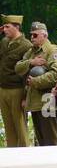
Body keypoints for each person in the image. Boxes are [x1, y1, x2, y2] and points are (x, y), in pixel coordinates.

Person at [16, 22, 57, 146]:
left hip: (48, 99)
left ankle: (55, 164)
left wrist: (35, 81)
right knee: (41, 140)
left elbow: (56, 75)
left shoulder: (52, 51)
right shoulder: (31, 52)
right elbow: (18, 68)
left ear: (44, 35)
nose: (32, 37)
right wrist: (31, 62)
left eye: (35, 35)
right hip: (35, 100)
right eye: (31, 35)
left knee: (51, 139)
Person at [0, 15, 32, 147]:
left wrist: (25, 96)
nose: (4, 29)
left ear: (16, 27)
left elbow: (27, 74)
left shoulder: (26, 46)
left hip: (17, 90)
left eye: (7, 27)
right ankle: (11, 154)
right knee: (8, 125)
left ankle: (25, 154)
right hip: (3, 88)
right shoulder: (3, 42)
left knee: (20, 125)